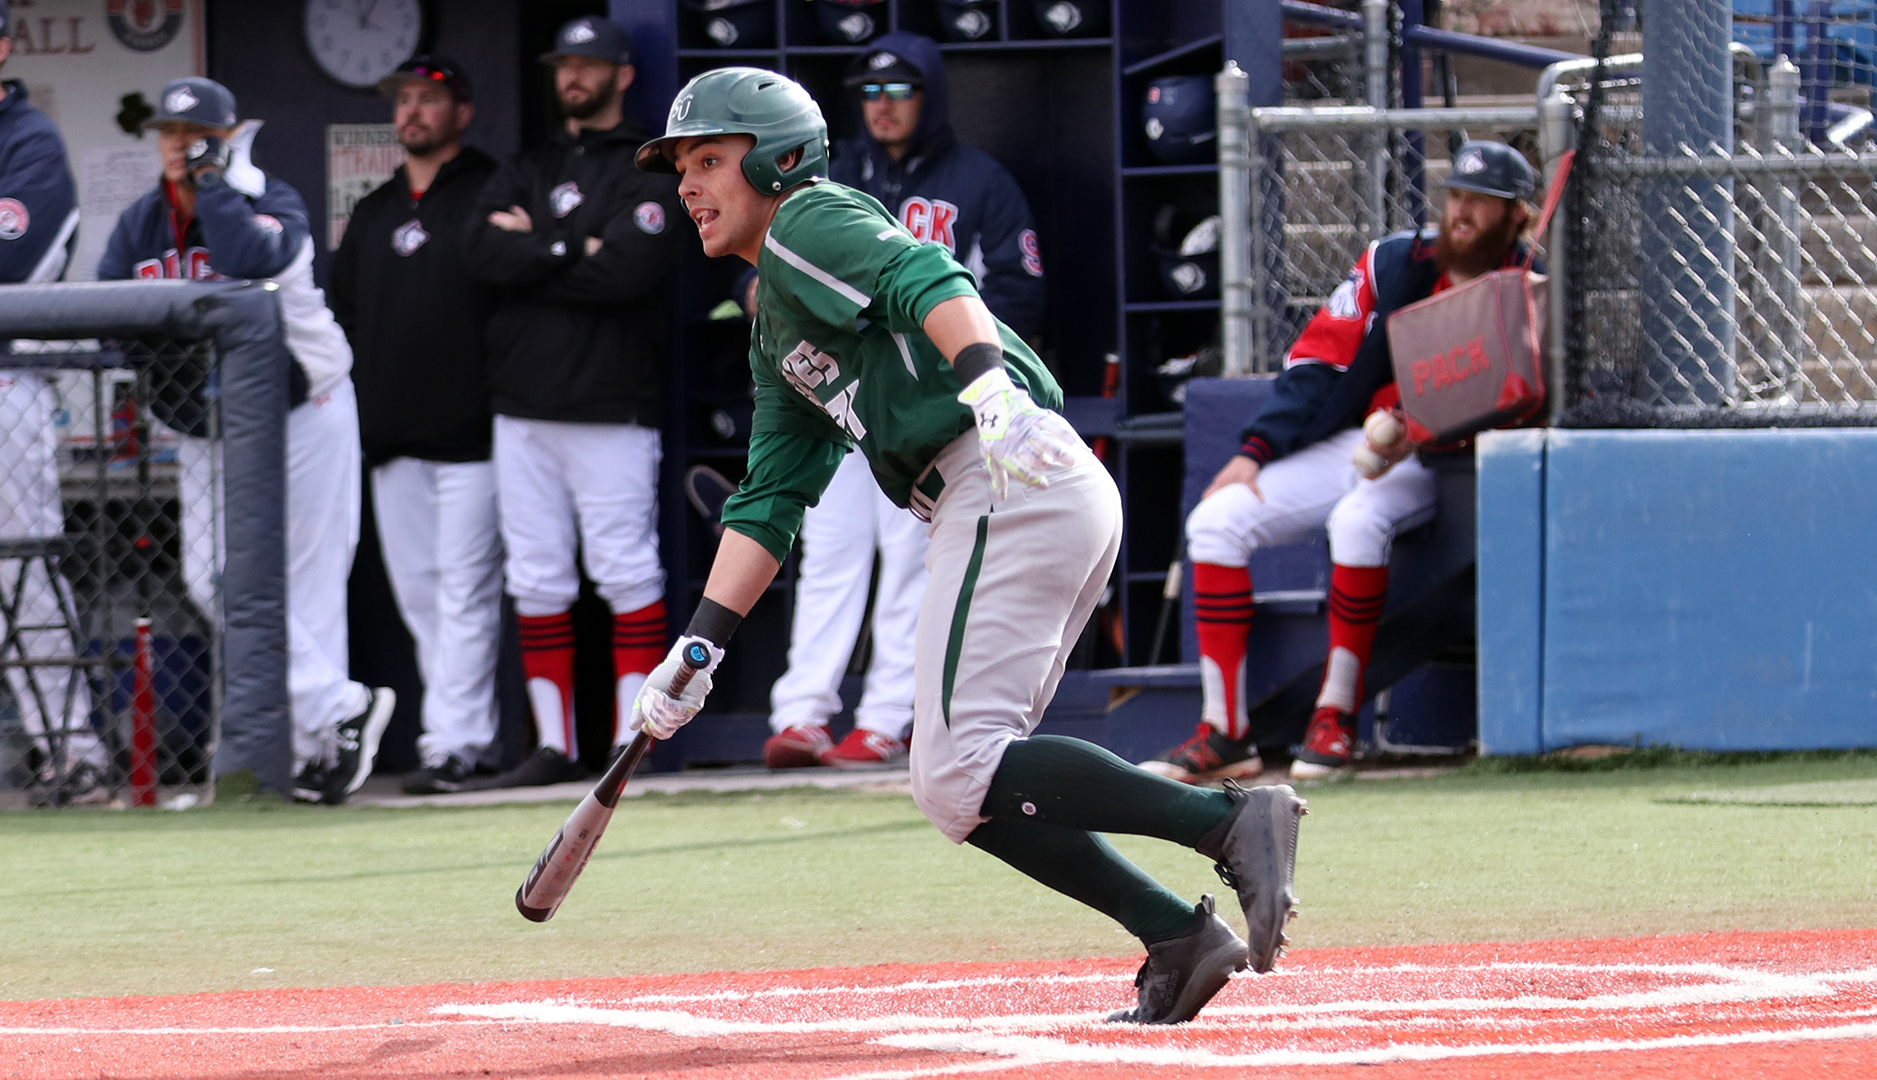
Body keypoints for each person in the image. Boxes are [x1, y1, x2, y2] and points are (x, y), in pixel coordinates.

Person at [631, 67, 1305, 1025]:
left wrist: (987, 388)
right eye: (680, 166)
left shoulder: (804, 220)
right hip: (1007, 491)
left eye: (710, 159)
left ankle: (1229, 821)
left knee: (957, 771)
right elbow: (770, 499)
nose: (689, 184)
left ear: (777, 160)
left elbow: (931, 276)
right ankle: (1176, 933)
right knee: (964, 787)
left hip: (999, 470)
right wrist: (698, 647)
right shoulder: (775, 314)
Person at [1143, 141, 1541, 784]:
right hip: (1363, 444)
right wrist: (1256, 450)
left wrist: (1422, 427)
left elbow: (1527, 399)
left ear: (1516, 215)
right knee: (1216, 521)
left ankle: (1336, 714)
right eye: (1457, 196)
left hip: (1445, 464)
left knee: (1356, 522)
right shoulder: (1396, 261)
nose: (1462, 213)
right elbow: (1319, 359)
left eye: (1483, 203)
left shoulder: (1531, 287)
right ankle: (1225, 732)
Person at [754, 33, 1047, 771]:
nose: (882, 107)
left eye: (899, 91)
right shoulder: (835, 175)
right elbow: (763, 277)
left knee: (909, 556)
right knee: (828, 552)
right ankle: (803, 712)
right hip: (843, 400)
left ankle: (885, 718)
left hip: (925, 407)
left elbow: (1019, 290)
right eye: (871, 93)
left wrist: (924, 344)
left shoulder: (979, 180)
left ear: (932, 96)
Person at [99, 76, 395, 805]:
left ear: (227, 138)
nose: (178, 145)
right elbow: (107, 316)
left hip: (305, 411)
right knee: (213, 578)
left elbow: (245, 256)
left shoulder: (270, 200)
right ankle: (340, 706)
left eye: (195, 133)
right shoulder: (141, 223)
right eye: (169, 134)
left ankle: (309, 755)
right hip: (206, 428)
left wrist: (215, 181)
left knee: (312, 583)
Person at [462, 17, 682, 788]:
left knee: (626, 572)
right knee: (537, 577)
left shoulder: (648, 167)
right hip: (521, 404)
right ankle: (552, 748)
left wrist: (536, 247)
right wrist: (572, 244)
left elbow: (627, 273)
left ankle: (630, 744)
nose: (573, 76)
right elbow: (479, 255)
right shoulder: (526, 162)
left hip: (612, 403)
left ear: (621, 74)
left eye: (589, 64)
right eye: (565, 64)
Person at [330, 57, 502, 796]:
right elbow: (343, 318)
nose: (412, 111)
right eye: (403, 99)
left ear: (461, 110)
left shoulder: (493, 188)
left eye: (427, 98)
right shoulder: (373, 210)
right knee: (424, 597)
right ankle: (453, 735)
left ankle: (458, 741)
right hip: (393, 435)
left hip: (477, 432)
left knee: (466, 591)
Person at [0, 0, 95, 801]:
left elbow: (12, 258)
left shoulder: (28, 141)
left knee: (19, 575)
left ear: (0, 48)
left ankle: (73, 751)